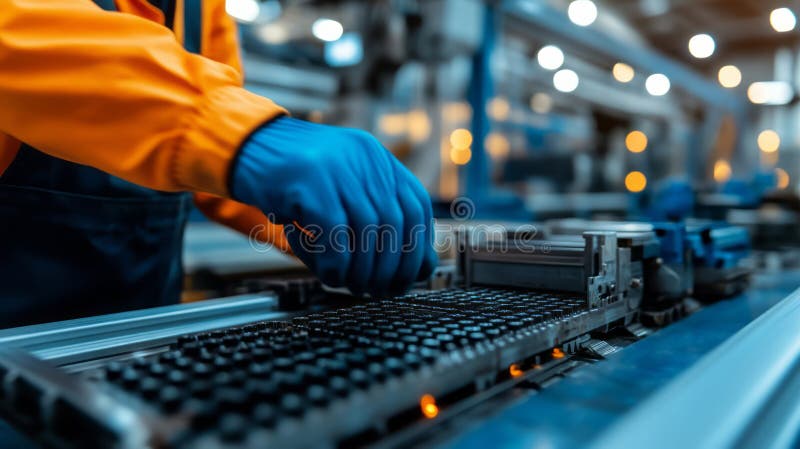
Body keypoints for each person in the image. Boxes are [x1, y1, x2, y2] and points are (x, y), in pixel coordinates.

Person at [0, 0, 438, 329]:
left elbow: (211, 165)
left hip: (142, 342)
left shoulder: (201, 5)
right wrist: (242, 134)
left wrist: (319, 218)